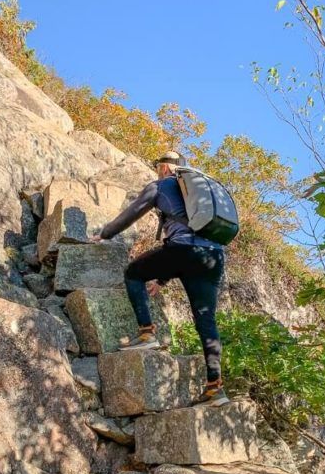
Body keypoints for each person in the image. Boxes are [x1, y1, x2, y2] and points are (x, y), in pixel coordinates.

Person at [92, 150, 229, 407]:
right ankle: (215, 388)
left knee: (133, 273)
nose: (157, 170)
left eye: (159, 166)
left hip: (183, 250)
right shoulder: (197, 192)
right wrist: (162, 279)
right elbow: (191, 250)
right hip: (214, 257)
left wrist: (105, 233)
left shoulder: (162, 185)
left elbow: (133, 212)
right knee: (206, 320)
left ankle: (146, 333)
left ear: (165, 167)